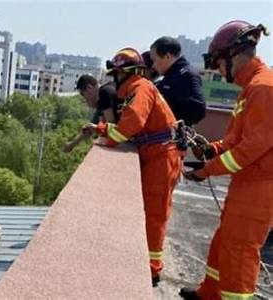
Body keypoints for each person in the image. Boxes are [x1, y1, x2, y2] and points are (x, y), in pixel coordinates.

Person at [180, 20, 272, 300]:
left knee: (240, 250)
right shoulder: (252, 88)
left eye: (218, 62)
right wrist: (213, 150)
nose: (218, 70)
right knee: (225, 241)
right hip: (248, 182)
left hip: (260, 184)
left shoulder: (264, 88)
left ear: (234, 54)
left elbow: (250, 150)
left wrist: (208, 170)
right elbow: (236, 141)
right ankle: (210, 293)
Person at [87, 47, 182, 286]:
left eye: (116, 74)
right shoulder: (139, 88)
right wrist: (102, 130)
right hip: (156, 154)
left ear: (126, 73)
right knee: (151, 213)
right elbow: (128, 126)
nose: (114, 80)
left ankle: (152, 269)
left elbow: (130, 126)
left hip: (162, 157)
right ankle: (149, 264)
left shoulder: (140, 89)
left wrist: (106, 136)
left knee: (155, 215)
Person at [150, 37, 206, 126]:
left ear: (167, 56)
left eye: (154, 60)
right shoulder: (171, 76)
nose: (153, 66)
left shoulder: (186, 75)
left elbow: (198, 109)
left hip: (173, 135)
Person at [63, 74, 120, 153]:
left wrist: (97, 128)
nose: (84, 98)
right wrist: (72, 144)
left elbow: (110, 124)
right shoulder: (103, 96)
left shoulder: (104, 93)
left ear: (89, 88)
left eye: (83, 94)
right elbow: (90, 128)